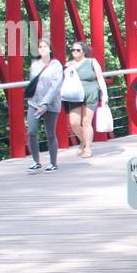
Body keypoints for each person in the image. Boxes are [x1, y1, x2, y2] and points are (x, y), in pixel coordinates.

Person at [61, 41, 108, 158]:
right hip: (74, 95)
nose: (75, 52)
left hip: (90, 93)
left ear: (84, 51)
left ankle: (88, 148)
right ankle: (84, 140)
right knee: (74, 123)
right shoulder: (68, 64)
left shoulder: (92, 62)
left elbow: (100, 79)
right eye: (73, 50)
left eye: (78, 50)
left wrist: (105, 94)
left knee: (86, 122)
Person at [25, 40, 63, 173]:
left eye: (44, 47)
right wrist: (37, 103)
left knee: (50, 134)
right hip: (34, 103)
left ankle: (53, 163)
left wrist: (45, 104)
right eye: (40, 47)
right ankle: (36, 161)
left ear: (50, 49)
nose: (42, 49)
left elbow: (55, 86)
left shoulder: (56, 65)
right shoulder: (34, 65)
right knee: (31, 131)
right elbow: (33, 84)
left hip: (51, 104)